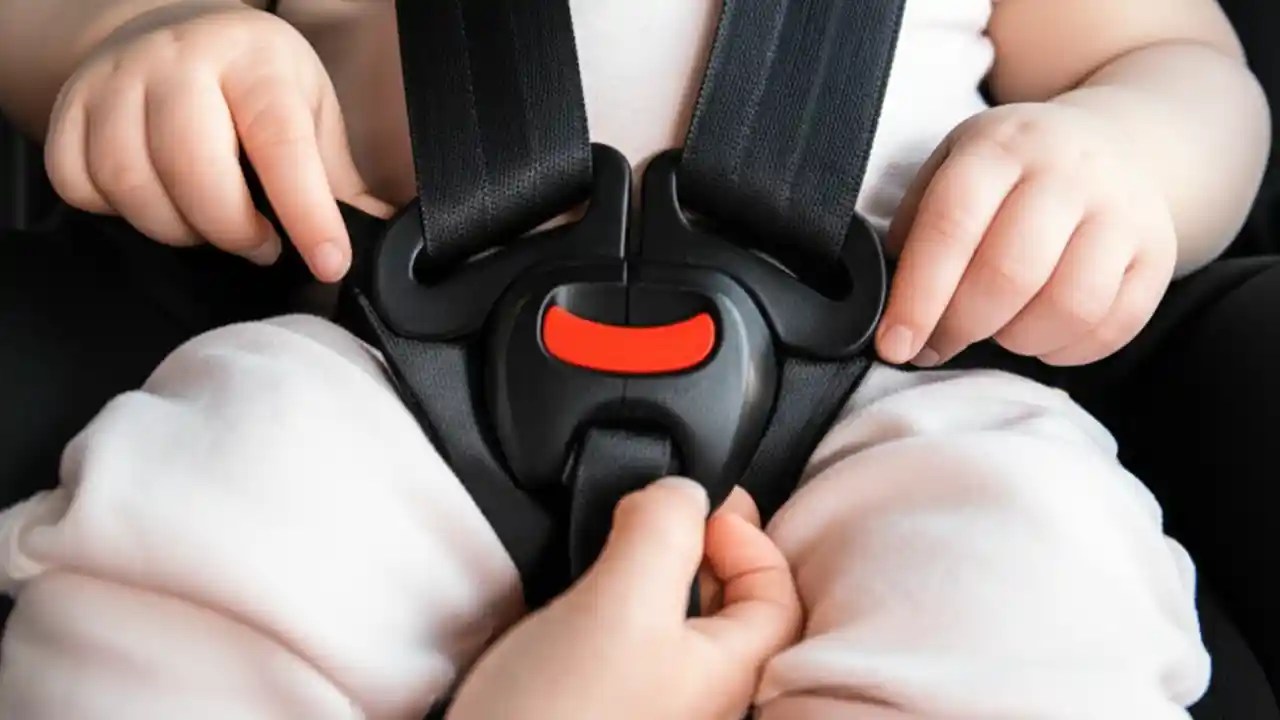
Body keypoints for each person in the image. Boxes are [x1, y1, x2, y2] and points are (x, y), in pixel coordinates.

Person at [0, 0, 1270, 718]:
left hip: (887, 379)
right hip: (390, 371)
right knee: (210, 508)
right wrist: (138, 44)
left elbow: (1172, 65)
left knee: (1034, 569)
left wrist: (1120, 153)